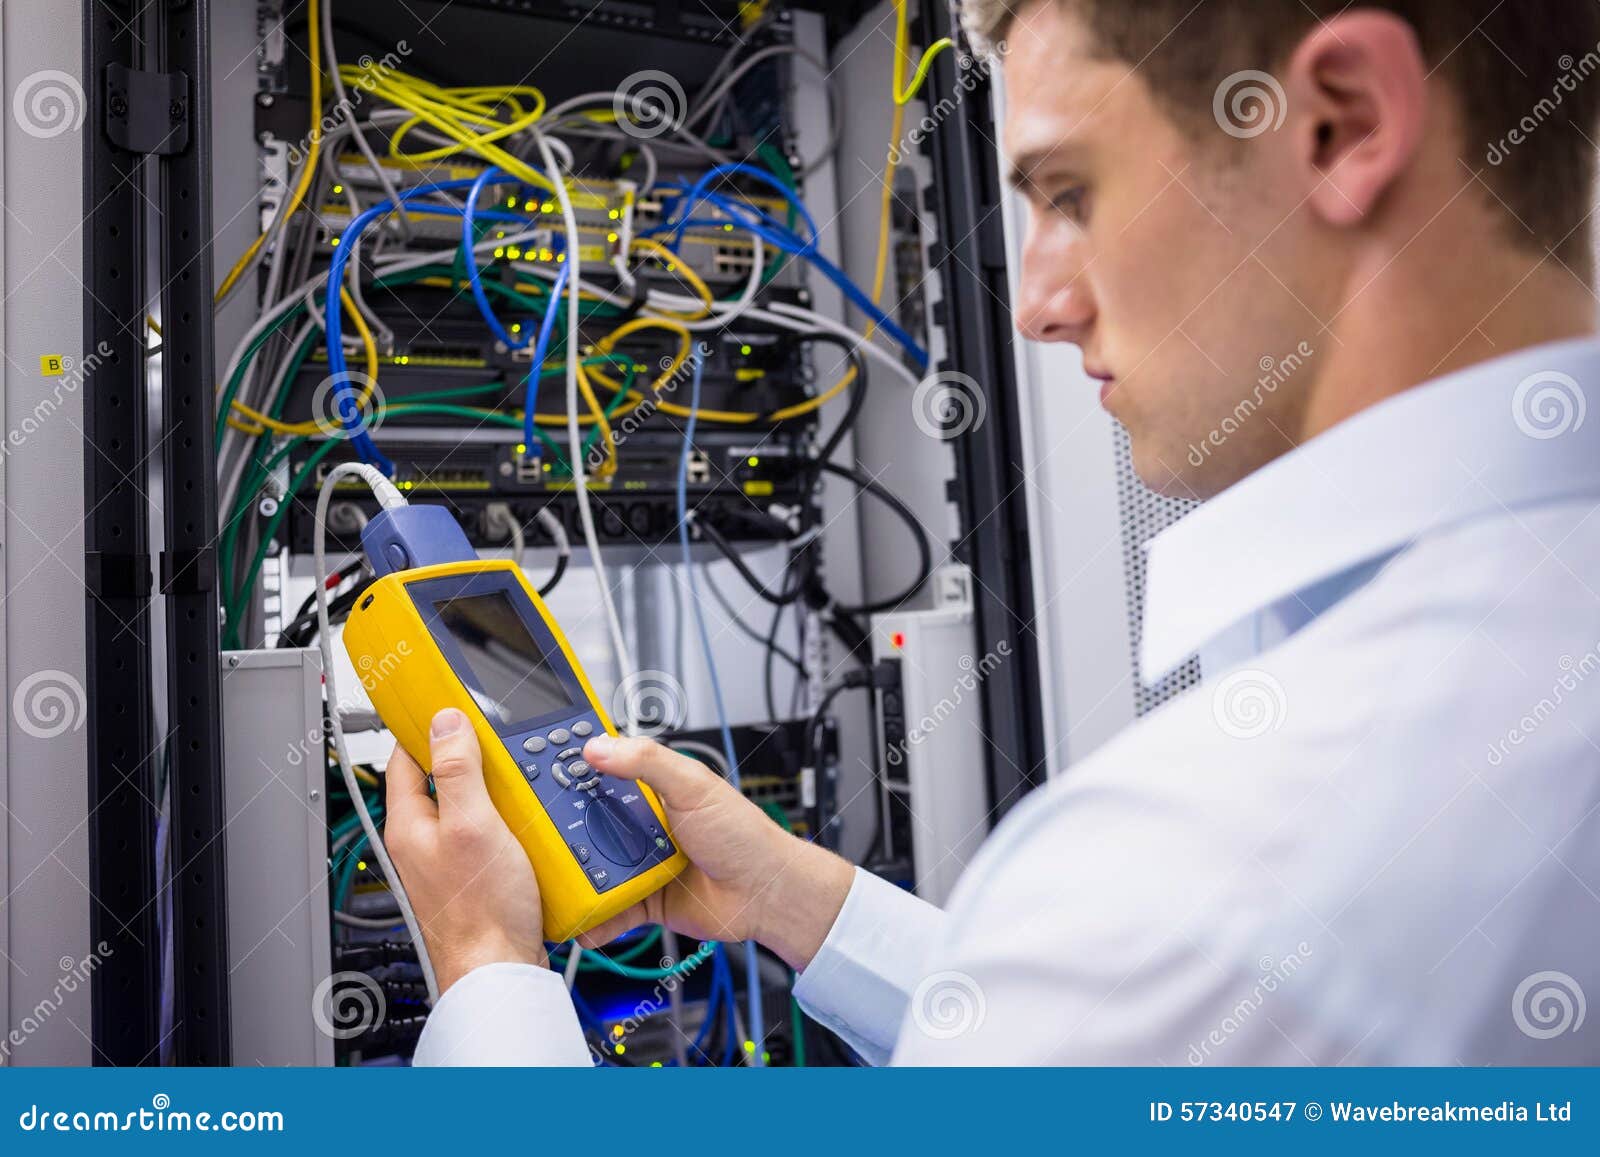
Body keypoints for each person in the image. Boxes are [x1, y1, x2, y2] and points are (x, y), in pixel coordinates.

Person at [386, 0, 1600, 1064]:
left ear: (1338, 124)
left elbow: (1134, 997)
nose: (1034, 305)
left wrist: (488, 965)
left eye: (1070, 192)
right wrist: (792, 893)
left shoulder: (1228, 854)